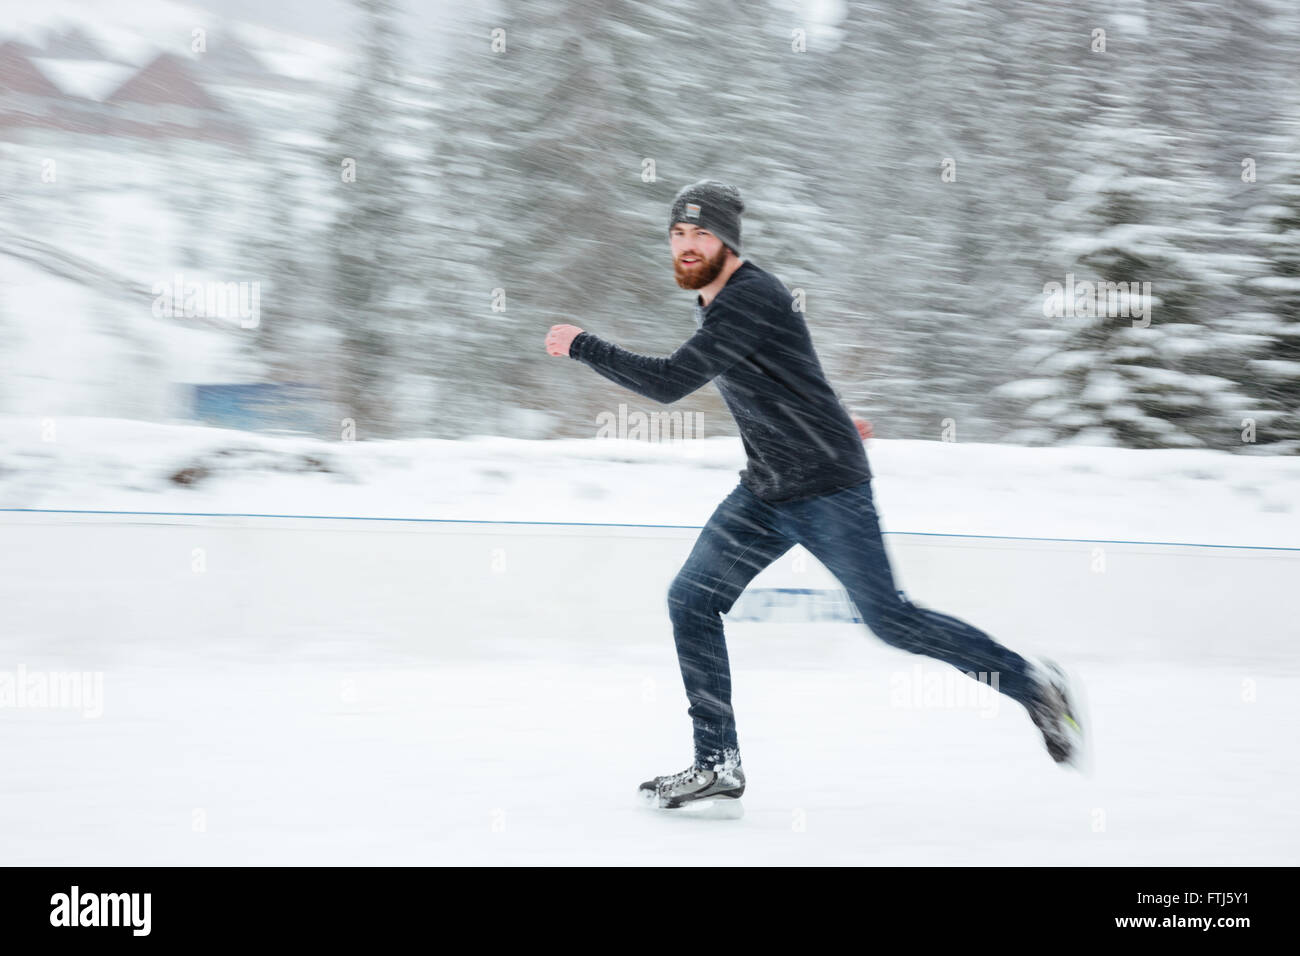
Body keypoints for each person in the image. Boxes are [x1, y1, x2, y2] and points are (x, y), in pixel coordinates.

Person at [544, 180, 1086, 811]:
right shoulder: (722, 301)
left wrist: (582, 345)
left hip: (827, 488)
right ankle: (716, 762)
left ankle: (1034, 684)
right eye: (678, 234)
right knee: (692, 600)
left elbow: (672, 382)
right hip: (767, 489)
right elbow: (788, 369)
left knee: (892, 620)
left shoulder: (751, 296)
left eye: (702, 234)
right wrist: (830, 416)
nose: (688, 246)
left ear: (728, 241)